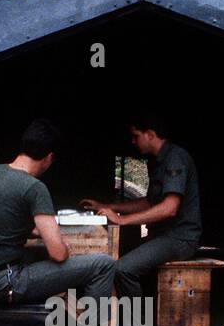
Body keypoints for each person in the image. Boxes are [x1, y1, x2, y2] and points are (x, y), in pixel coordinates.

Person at [0, 118, 119, 326]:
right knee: (103, 265)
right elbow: (58, 254)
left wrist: (19, 230)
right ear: (49, 157)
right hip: (7, 284)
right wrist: (61, 243)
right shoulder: (34, 188)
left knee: (32, 261)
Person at [81, 113, 201, 299]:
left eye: (136, 136)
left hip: (180, 238)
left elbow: (169, 208)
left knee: (123, 269)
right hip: (162, 236)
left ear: (150, 134)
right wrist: (108, 206)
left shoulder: (175, 158)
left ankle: (135, 319)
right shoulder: (157, 161)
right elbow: (149, 203)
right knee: (116, 259)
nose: (133, 141)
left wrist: (122, 220)